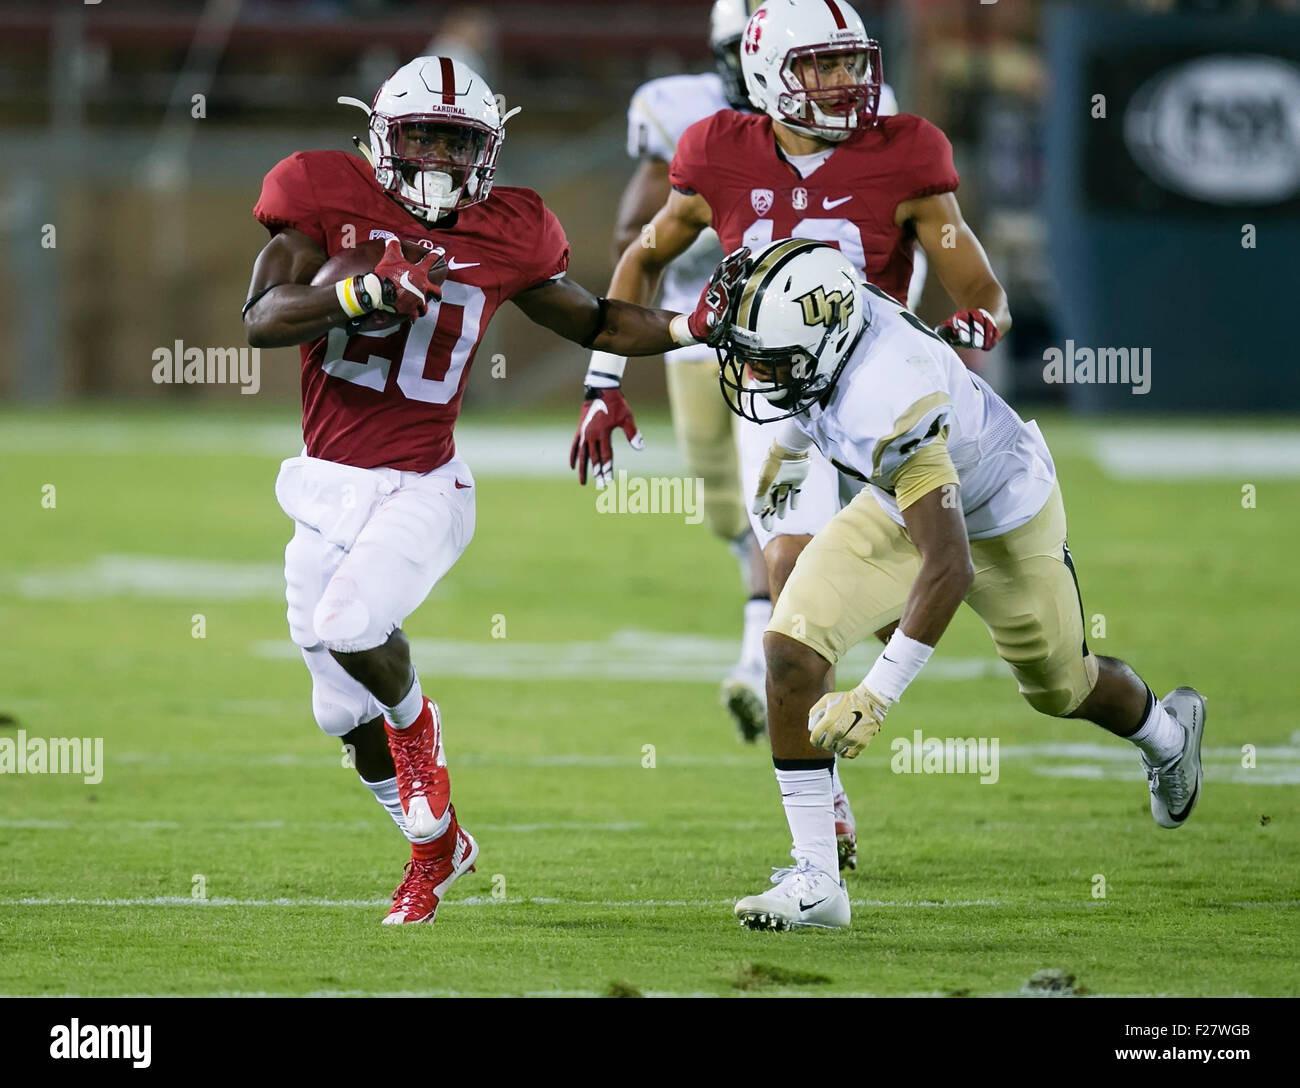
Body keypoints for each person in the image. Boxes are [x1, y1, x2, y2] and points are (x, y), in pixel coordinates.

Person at [242, 56, 739, 925]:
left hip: (425, 485)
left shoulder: (509, 231)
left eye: (456, 142)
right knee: (335, 711)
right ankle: (438, 849)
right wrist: (362, 288)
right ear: (381, 139)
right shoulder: (321, 194)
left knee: (353, 627)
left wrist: (690, 326)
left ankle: (420, 733)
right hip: (325, 485)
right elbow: (260, 319)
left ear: (489, 150)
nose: (437, 158)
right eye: (422, 138)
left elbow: (591, 317)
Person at [571, 0, 1012, 871]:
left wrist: (972, 330)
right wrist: (603, 381)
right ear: (771, 72)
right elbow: (643, 255)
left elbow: (981, 287)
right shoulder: (715, 150)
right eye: (824, 66)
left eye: (855, 62)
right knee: (789, 577)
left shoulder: (908, 153)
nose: (849, 83)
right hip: (775, 400)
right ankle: (825, 812)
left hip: (881, 397)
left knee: (932, 605)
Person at [710, 239, 1205, 930]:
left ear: (818, 347)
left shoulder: (890, 391)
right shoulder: (830, 341)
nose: (757, 373)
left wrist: (876, 696)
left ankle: (1165, 732)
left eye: (770, 360)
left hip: (1002, 511)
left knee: (1064, 686)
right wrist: (789, 463)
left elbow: (950, 564)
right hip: (895, 503)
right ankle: (818, 878)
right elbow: (806, 402)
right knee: (791, 648)